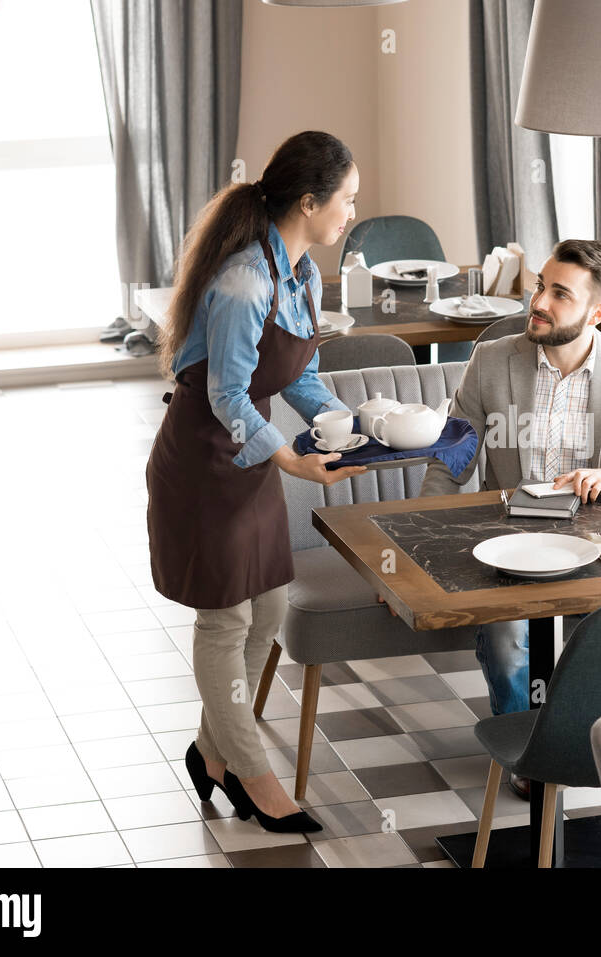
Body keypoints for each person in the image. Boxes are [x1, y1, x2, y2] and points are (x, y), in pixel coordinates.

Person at [417, 239, 601, 798]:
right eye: (539, 287)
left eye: (559, 293)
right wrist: (418, 555)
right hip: (510, 545)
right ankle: (529, 755)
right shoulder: (491, 359)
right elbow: (451, 461)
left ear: (597, 312)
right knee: (507, 644)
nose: (539, 302)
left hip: (600, 546)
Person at [146, 131, 367, 833]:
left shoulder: (303, 274)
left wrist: (348, 423)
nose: (352, 214)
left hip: (249, 463)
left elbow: (296, 375)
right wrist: (293, 460)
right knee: (226, 620)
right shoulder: (245, 280)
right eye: (347, 200)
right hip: (206, 465)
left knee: (268, 611)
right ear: (309, 202)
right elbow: (227, 395)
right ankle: (256, 774)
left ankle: (210, 754)